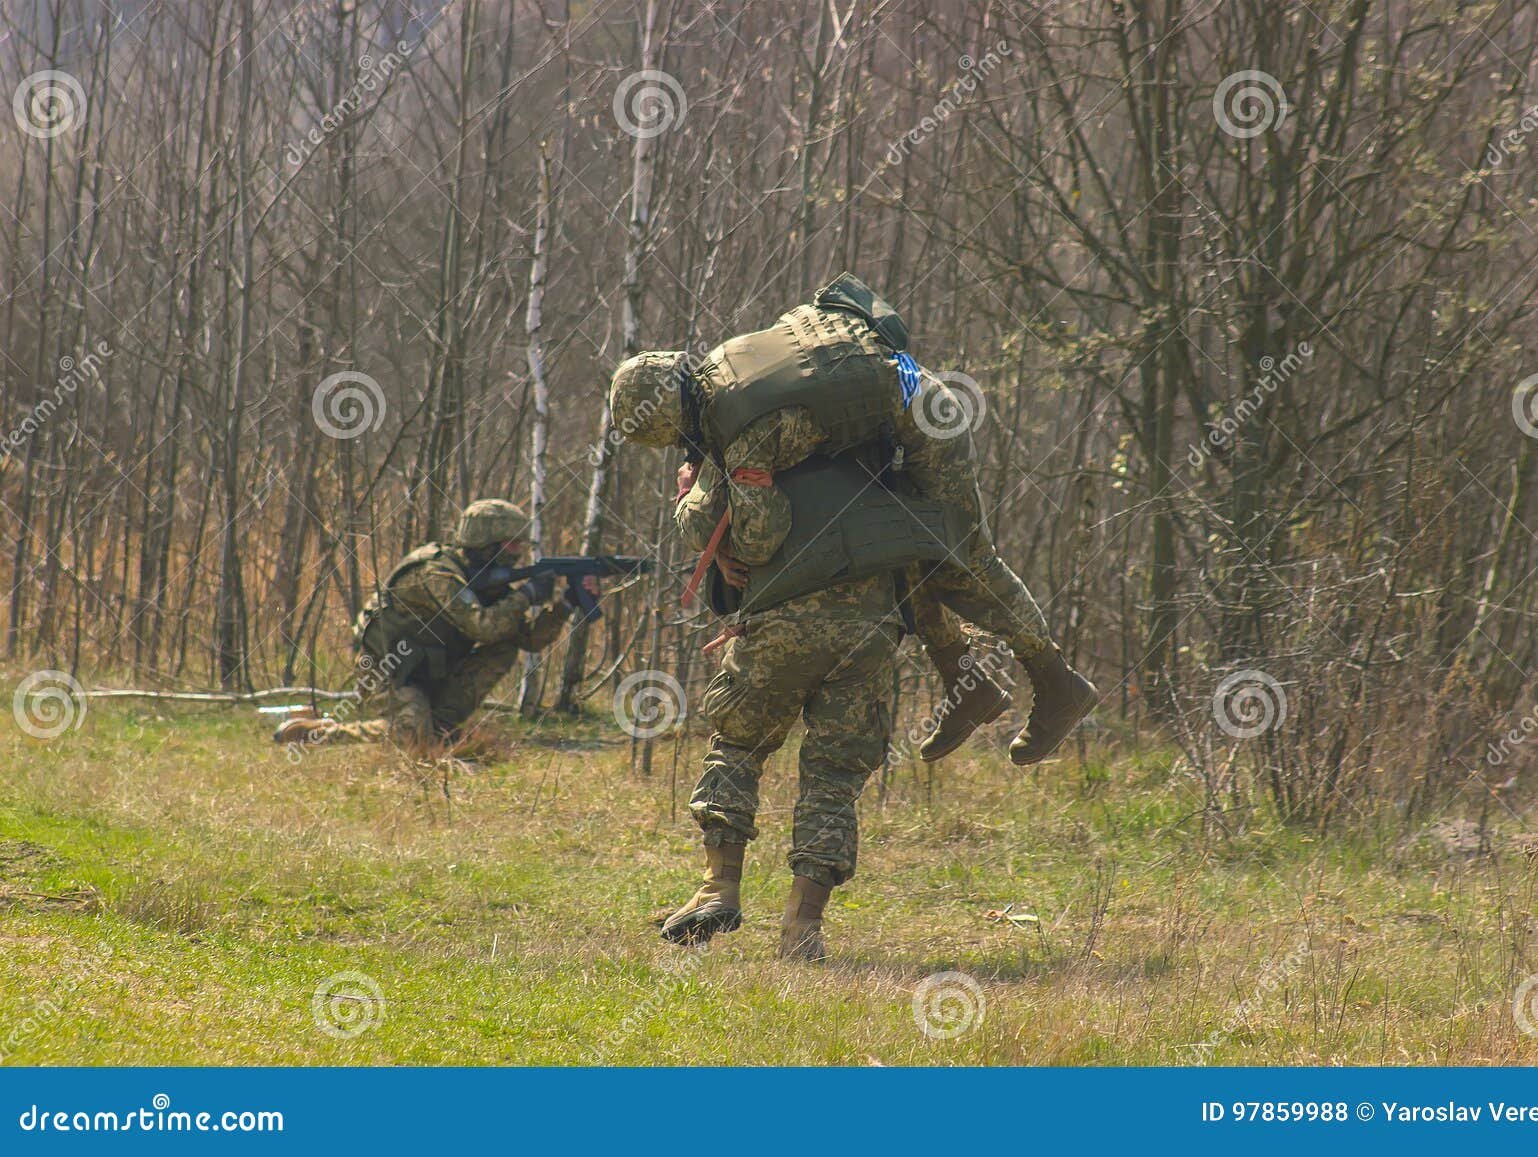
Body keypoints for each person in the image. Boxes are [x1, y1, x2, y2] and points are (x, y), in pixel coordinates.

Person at [607, 273, 1095, 766]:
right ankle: (963, 681)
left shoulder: (743, 433)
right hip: (899, 414)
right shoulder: (721, 367)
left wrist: (697, 508)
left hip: (927, 421)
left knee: (963, 559)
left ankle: (1057, 682)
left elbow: (763, 539)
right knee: (903, 551)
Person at [654, 423, 905, 962]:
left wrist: (701, 519)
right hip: (866, 625)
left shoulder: (751, 425)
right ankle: (802, 928)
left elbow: (701, 518)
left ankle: (717, 890)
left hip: (779, 621)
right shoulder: (881, 430)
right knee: (835, 778)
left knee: (738, 750)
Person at [272, 499, 578, 751]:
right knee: (412, 739)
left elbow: (526, 639)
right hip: (386, 670)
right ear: (487, 544)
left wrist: (565, 605)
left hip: (430, 671)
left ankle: (437, 729)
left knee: (501, 651)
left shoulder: (486, 584)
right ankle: (319, 734)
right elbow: (482, 627)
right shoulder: (434, 573)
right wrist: (525, 595)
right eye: (512, 545)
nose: (519, 553)